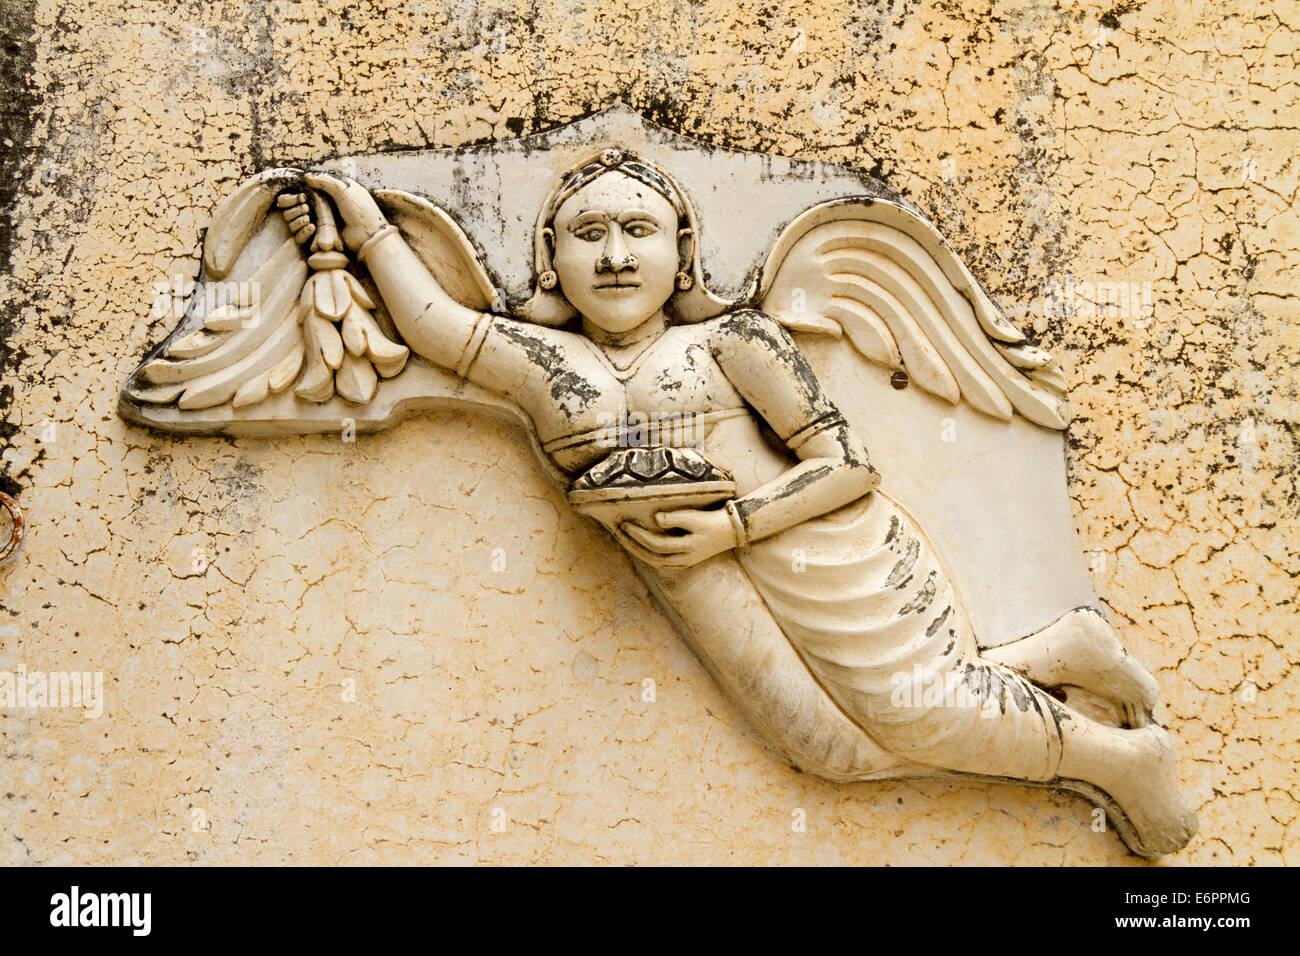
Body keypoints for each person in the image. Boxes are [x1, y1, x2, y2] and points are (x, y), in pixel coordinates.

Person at [285, 149, 1198, 856]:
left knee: (922, 713)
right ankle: (1059, 652)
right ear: (550, 258)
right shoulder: (543, 368)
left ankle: (1117, 759)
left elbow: (846, 462)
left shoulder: (731, 340)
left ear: (681, 251)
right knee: (829, 751)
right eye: (587, 234)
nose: (612, 256)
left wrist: (733, 524)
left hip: (824, 546)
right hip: (704, 581)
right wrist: (360, 225)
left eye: (637, 231)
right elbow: (433, 327)